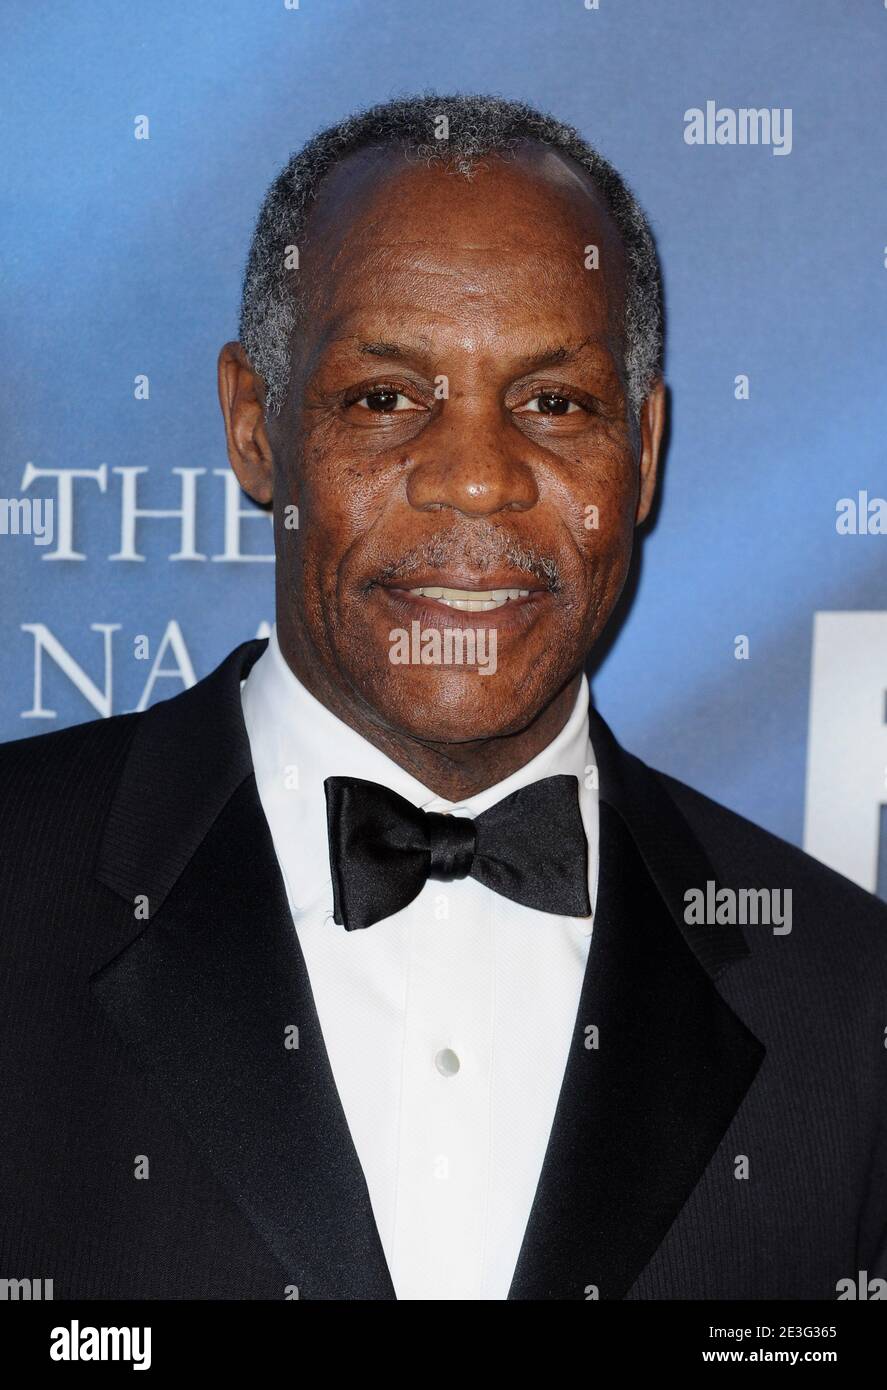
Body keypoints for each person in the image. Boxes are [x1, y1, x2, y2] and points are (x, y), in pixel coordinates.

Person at [1, 94, 885, 1301]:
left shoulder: (845, 1001)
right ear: (255, 426)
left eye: (553, 403)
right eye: (383, 397)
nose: (474, 478)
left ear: (643, 449)